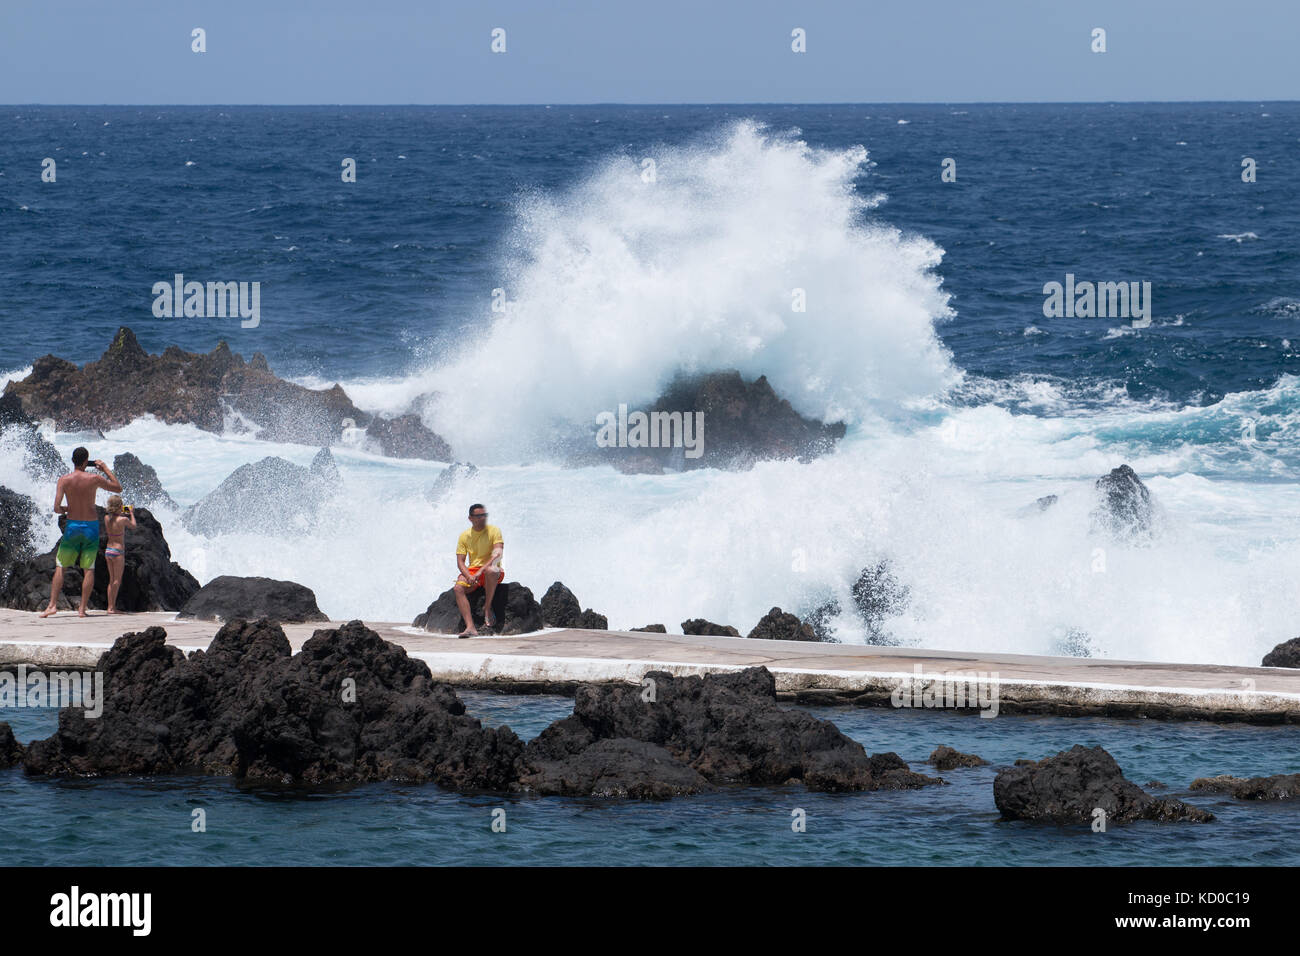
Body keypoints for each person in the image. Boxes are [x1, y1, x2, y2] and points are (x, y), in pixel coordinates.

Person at [38, 448, 122, 618]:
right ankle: (82, 609)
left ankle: (52, 606)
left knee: (61, 566)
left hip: (73, 526)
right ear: (86, 461)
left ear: (73, 460)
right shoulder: (94, 478)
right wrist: (104, 468)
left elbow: (56, 508)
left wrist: (69, 508)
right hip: (90, 526)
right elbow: (117, 488)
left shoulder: (64, 480)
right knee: (88, 569)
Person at [453, 503, 503, 637]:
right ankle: (470, 627)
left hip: (491, 568)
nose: (483, 518)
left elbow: (497, 554)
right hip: (473, 571)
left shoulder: (494, 530)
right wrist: (468, 575)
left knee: (491, 571)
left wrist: (481, 571)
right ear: (470, 518)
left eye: (484, 515)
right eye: (479, 516)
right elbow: (460, 562)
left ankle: (487, 608)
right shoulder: (464, 535)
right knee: (458, 588)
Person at [103, 494, 137, 614]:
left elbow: (114, 518)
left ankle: (109, 607)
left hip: (108, 550)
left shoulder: (107, 518)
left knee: (111, 580)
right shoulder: (123, 520)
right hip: (118, 551)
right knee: (117, 580)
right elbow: (134, 526)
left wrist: (120, 512)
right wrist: (131, 513)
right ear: (120, 506)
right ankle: (113, 607)